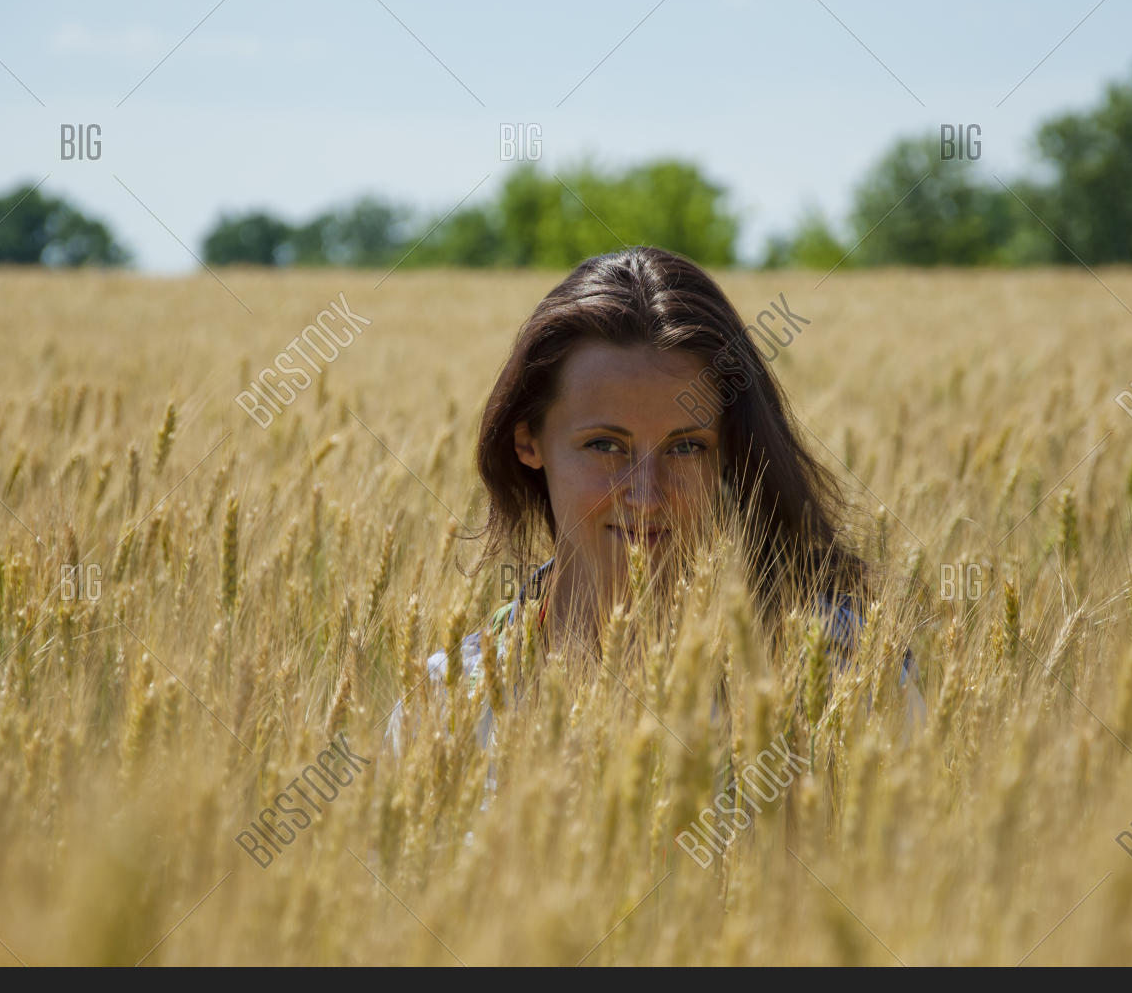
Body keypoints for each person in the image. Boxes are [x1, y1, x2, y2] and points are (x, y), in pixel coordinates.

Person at [385, 246, 925, 766]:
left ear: (733, 455)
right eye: (604, 445)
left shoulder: (848, 674)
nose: (647, 494)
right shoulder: (446, 703)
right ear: (527, 443)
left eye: (687, 447)